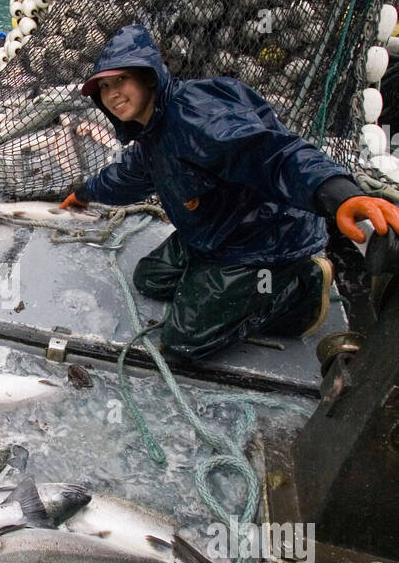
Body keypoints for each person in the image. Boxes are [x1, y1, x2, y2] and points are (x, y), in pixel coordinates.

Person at [62, 23, 399, 362]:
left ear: (149, 76)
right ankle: (220, 280)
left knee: (183, 344)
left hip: (263, 240)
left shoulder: (198, 118)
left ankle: (298, 288)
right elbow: (126, 176)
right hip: (214, 230)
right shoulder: (152, 130)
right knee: (151, 278)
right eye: (104, 87)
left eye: (121, 80)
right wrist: (84, 193)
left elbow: (276, 156)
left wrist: (341, 194)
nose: (113, 94)